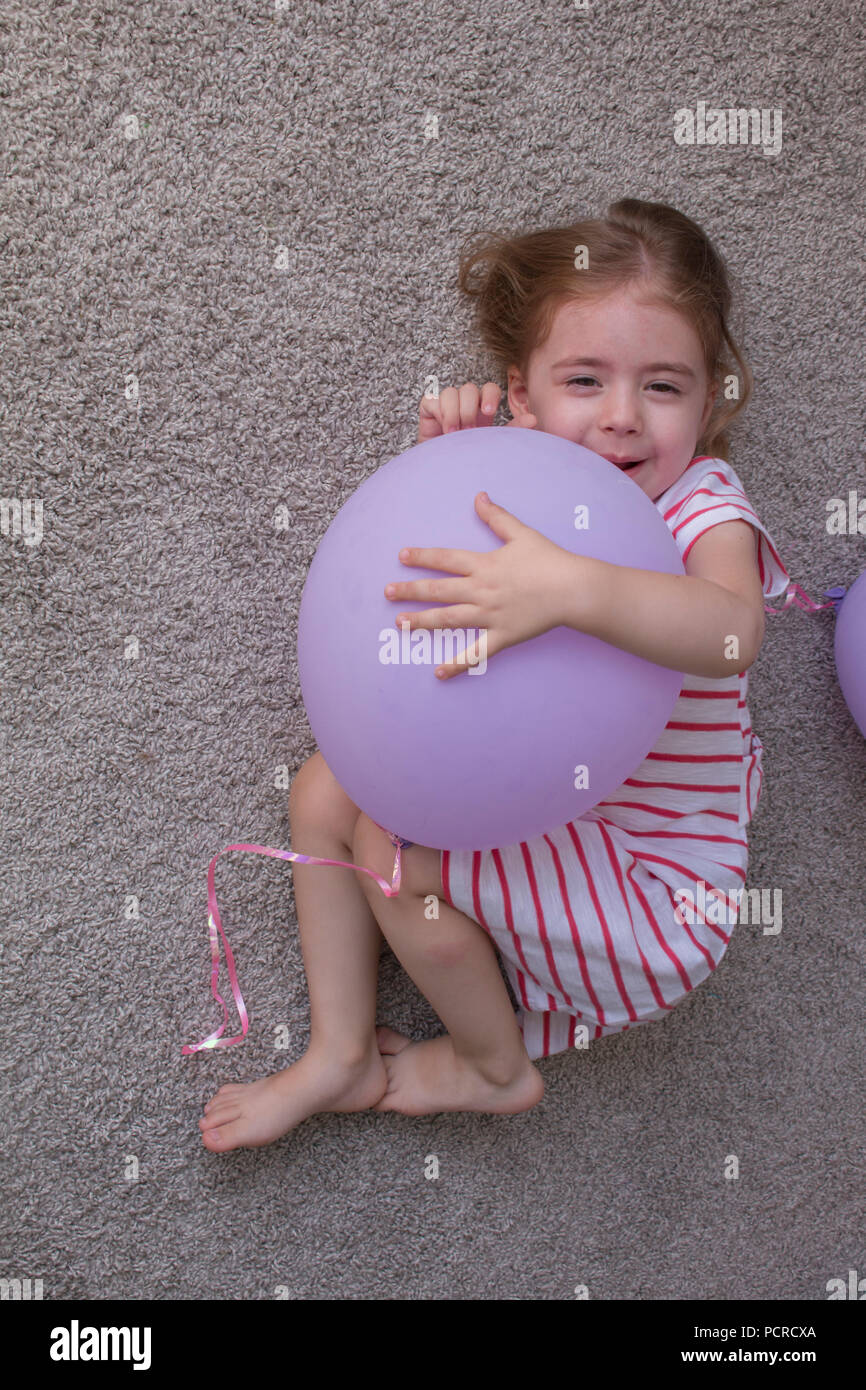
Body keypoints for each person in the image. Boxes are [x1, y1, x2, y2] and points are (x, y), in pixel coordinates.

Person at [200, 197, 790, 1152]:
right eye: (585, 380)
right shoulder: (523, 471)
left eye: (666, 387)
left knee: (395, 854)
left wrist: (573, 587)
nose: (621, 420)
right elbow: (437, 576)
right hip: (560, 813)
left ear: (713, 399)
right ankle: (340, 1049)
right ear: (523, 395)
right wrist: (459, 459)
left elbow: (732, 634)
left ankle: (493, 1064)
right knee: (324, 788)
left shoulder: (700, 501)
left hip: (655, 898)